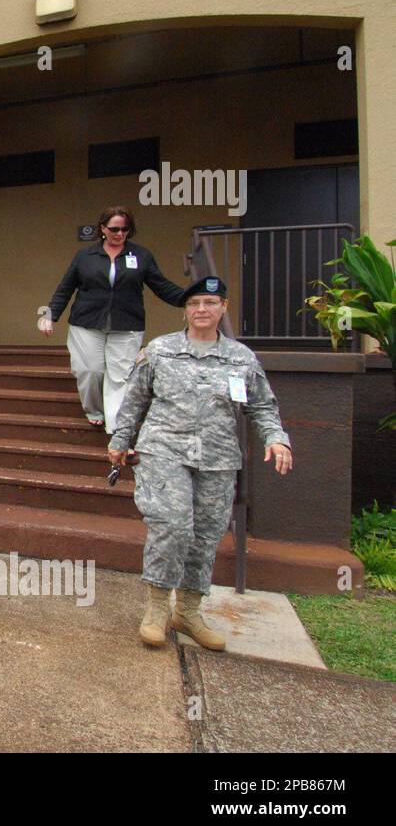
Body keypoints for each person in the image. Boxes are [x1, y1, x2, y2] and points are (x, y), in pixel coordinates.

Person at [108, 277, 294, 650]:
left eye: (210, 303)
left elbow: (261, 405)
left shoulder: (241, 358)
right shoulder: (160, 350)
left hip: (217, 458)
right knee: (173, 527)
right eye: (194, 304)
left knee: (205, 536)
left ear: (223, 307)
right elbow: (134, 400)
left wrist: (276, 438)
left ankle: (188, 613)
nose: (202, 310)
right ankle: (157, 610)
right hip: (164, 451)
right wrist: (120, 440)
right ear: (185, 310)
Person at [40, 208, 186, 433]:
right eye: (114, 229)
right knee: (89, 370)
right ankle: (94, 409)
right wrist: (49, 315)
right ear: (103, 229)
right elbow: (65, 288)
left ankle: (117, 428)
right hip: (86, 323)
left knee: (119, 376)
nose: (120, 233)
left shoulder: (141, 256)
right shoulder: (85, 256)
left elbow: (162, 286)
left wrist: (190, 299)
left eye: (125, 229)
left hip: (126, 324)